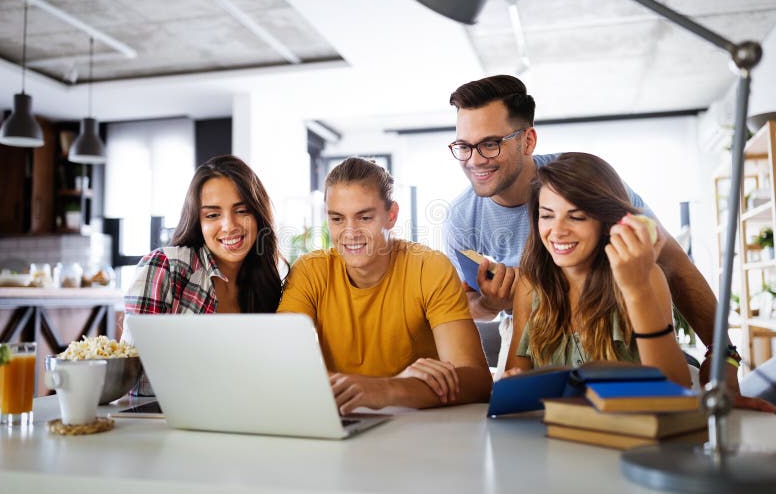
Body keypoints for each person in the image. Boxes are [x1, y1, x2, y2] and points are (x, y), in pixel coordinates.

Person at [445, 74, 775, 411]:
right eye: (463, 146)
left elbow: (673, 266)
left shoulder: (582, 180)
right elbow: (470, 308)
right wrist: (493, 304)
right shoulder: (462, 221)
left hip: (616, 313)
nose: (473, 160)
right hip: (542, 329)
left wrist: (722, 353)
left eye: (489, 144)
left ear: (527, 141)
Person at [278, 157, 492, 414]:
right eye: (337, 219)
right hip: (339, 423)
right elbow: (285, 372)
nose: (350, 232)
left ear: (391, 215)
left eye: (364, 217)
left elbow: (478, 382)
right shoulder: (310, 272)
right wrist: (392, 384)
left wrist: (386, 390)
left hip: (420, 432)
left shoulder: (429, 268)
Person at [504, 153, 691, 387]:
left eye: (577, 217)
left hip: (627, 420)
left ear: (606, 223)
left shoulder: (646, 277)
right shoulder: (531, 285)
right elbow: (514, 378)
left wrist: (637, 290)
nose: (558, 231)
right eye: (547, 216)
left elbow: (676, 385)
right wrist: (515, 382)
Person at [122, 155, 284, 338]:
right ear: (197, 222)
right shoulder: (165, 267)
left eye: (241, 211)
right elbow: (133, 362)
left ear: (258, 216)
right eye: (213, 215)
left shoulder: (266, 285)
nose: (229, 226)